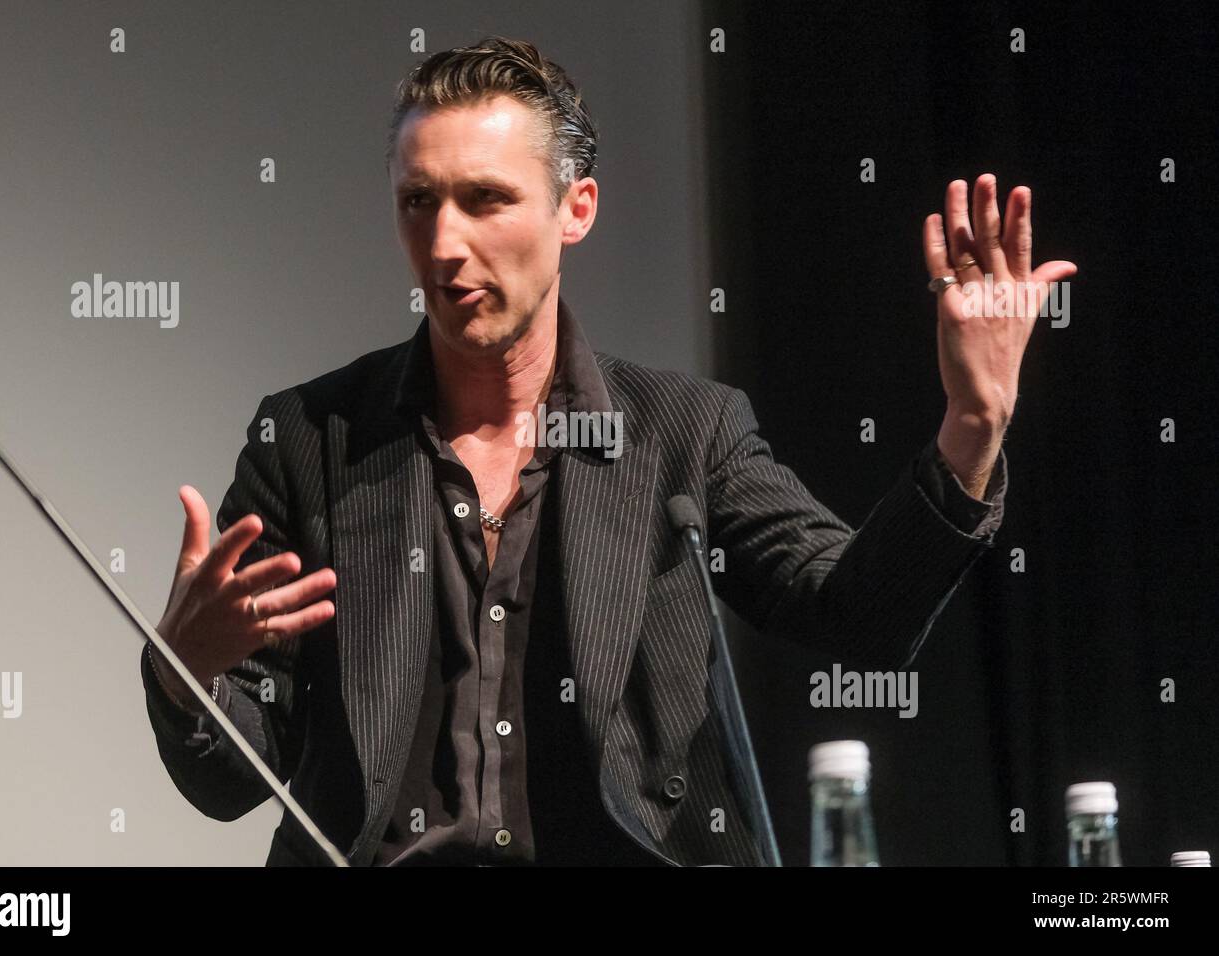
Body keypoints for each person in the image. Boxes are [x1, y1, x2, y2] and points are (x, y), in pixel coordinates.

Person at [140, 36, 1074, 866]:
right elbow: (232, 780)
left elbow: (855, 618)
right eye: (418, 201)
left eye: (485, 200)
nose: (445, 243)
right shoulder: (311, 440)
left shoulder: (682, 432)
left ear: (574, 209)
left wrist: (974, 425)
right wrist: (183, 674)